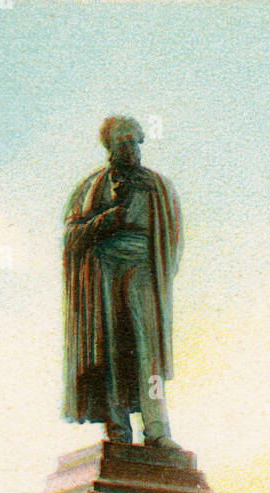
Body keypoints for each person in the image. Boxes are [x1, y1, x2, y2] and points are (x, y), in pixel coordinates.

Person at [63, 116, 183, 450]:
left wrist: (158, 278)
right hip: (104, 269)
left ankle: (157, 429)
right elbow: (72, 236)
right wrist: (108, 220)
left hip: (144, 270)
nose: (130, 148)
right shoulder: (92, 186)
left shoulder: (157, 186)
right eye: (122, 142)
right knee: (112, 351)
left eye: (134, 140)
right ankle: (118, 429)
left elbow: (173, 237)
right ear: (109, 146)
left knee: (150, 355)